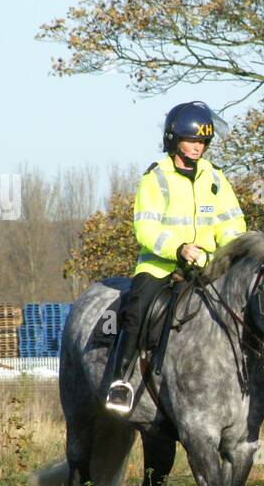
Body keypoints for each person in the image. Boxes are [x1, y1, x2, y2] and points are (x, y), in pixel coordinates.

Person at [103, 101, 245, 415]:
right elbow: (146, 228)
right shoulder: (156, 179)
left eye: (203, 142)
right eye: (191, 140)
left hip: (207, 267)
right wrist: (179, 248)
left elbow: (233, 223)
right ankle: (119, 381)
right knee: (137, 310)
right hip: (161, 266)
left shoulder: (216, 178)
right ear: (173, 140)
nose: (198, 147)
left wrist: (228, 254)